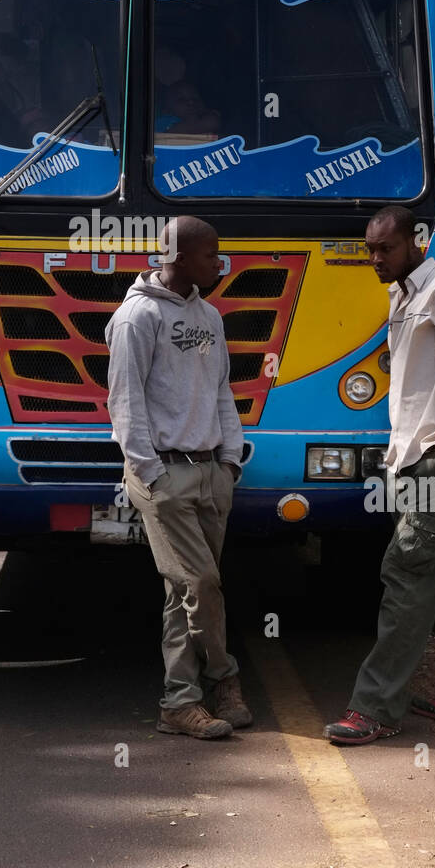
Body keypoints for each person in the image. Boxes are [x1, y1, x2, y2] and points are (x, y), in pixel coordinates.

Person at [325, 205, 435, 745]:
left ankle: (376, 707)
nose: (375, 258)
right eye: (370, 249)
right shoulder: (403, 295)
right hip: (415, 455)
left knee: (406, 571)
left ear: (417, 243)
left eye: (386, 248)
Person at [105, 216, 250, 740]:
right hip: (162, 475)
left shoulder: (210, 315)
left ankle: (179, 702)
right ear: (180, 257)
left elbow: (220, 392)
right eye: (211, 254)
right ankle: (225, 677)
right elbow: (125, 403)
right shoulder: (136, 319)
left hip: (211, 471)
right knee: (202, 582)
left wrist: (229, 462)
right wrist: (151, 474)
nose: (220, 262)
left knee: (181, 592)